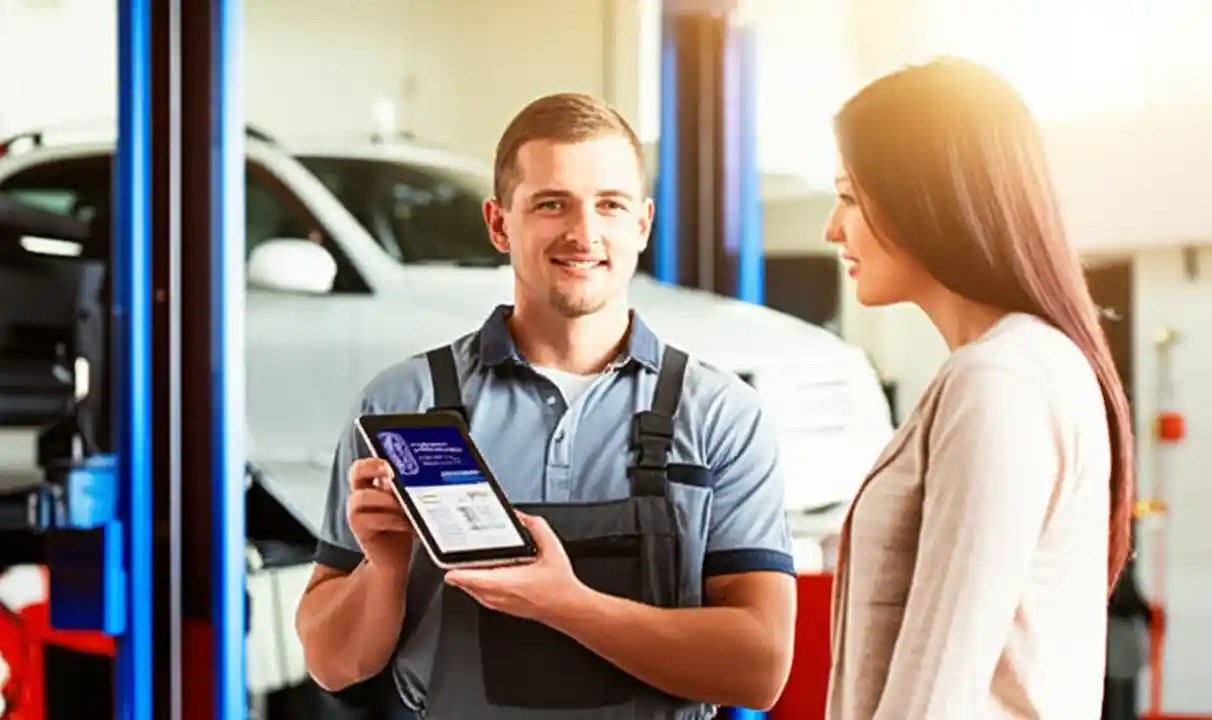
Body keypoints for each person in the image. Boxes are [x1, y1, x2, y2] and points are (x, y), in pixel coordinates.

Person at [294, 92, 798, 720]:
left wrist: (564, 603)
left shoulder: (720, 416)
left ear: (641, 224)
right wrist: (385, 566)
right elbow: (334, 663)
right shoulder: (405, 406)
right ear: (499, 223)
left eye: (609, 205)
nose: (584, 233)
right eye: (551, 204)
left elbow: (759, 668)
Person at [820, 57, 1135, 719]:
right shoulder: (1024, 367)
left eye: (849, 195)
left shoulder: (998, 383)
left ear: (924, 196)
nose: (832, 227)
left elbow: (936, 691)